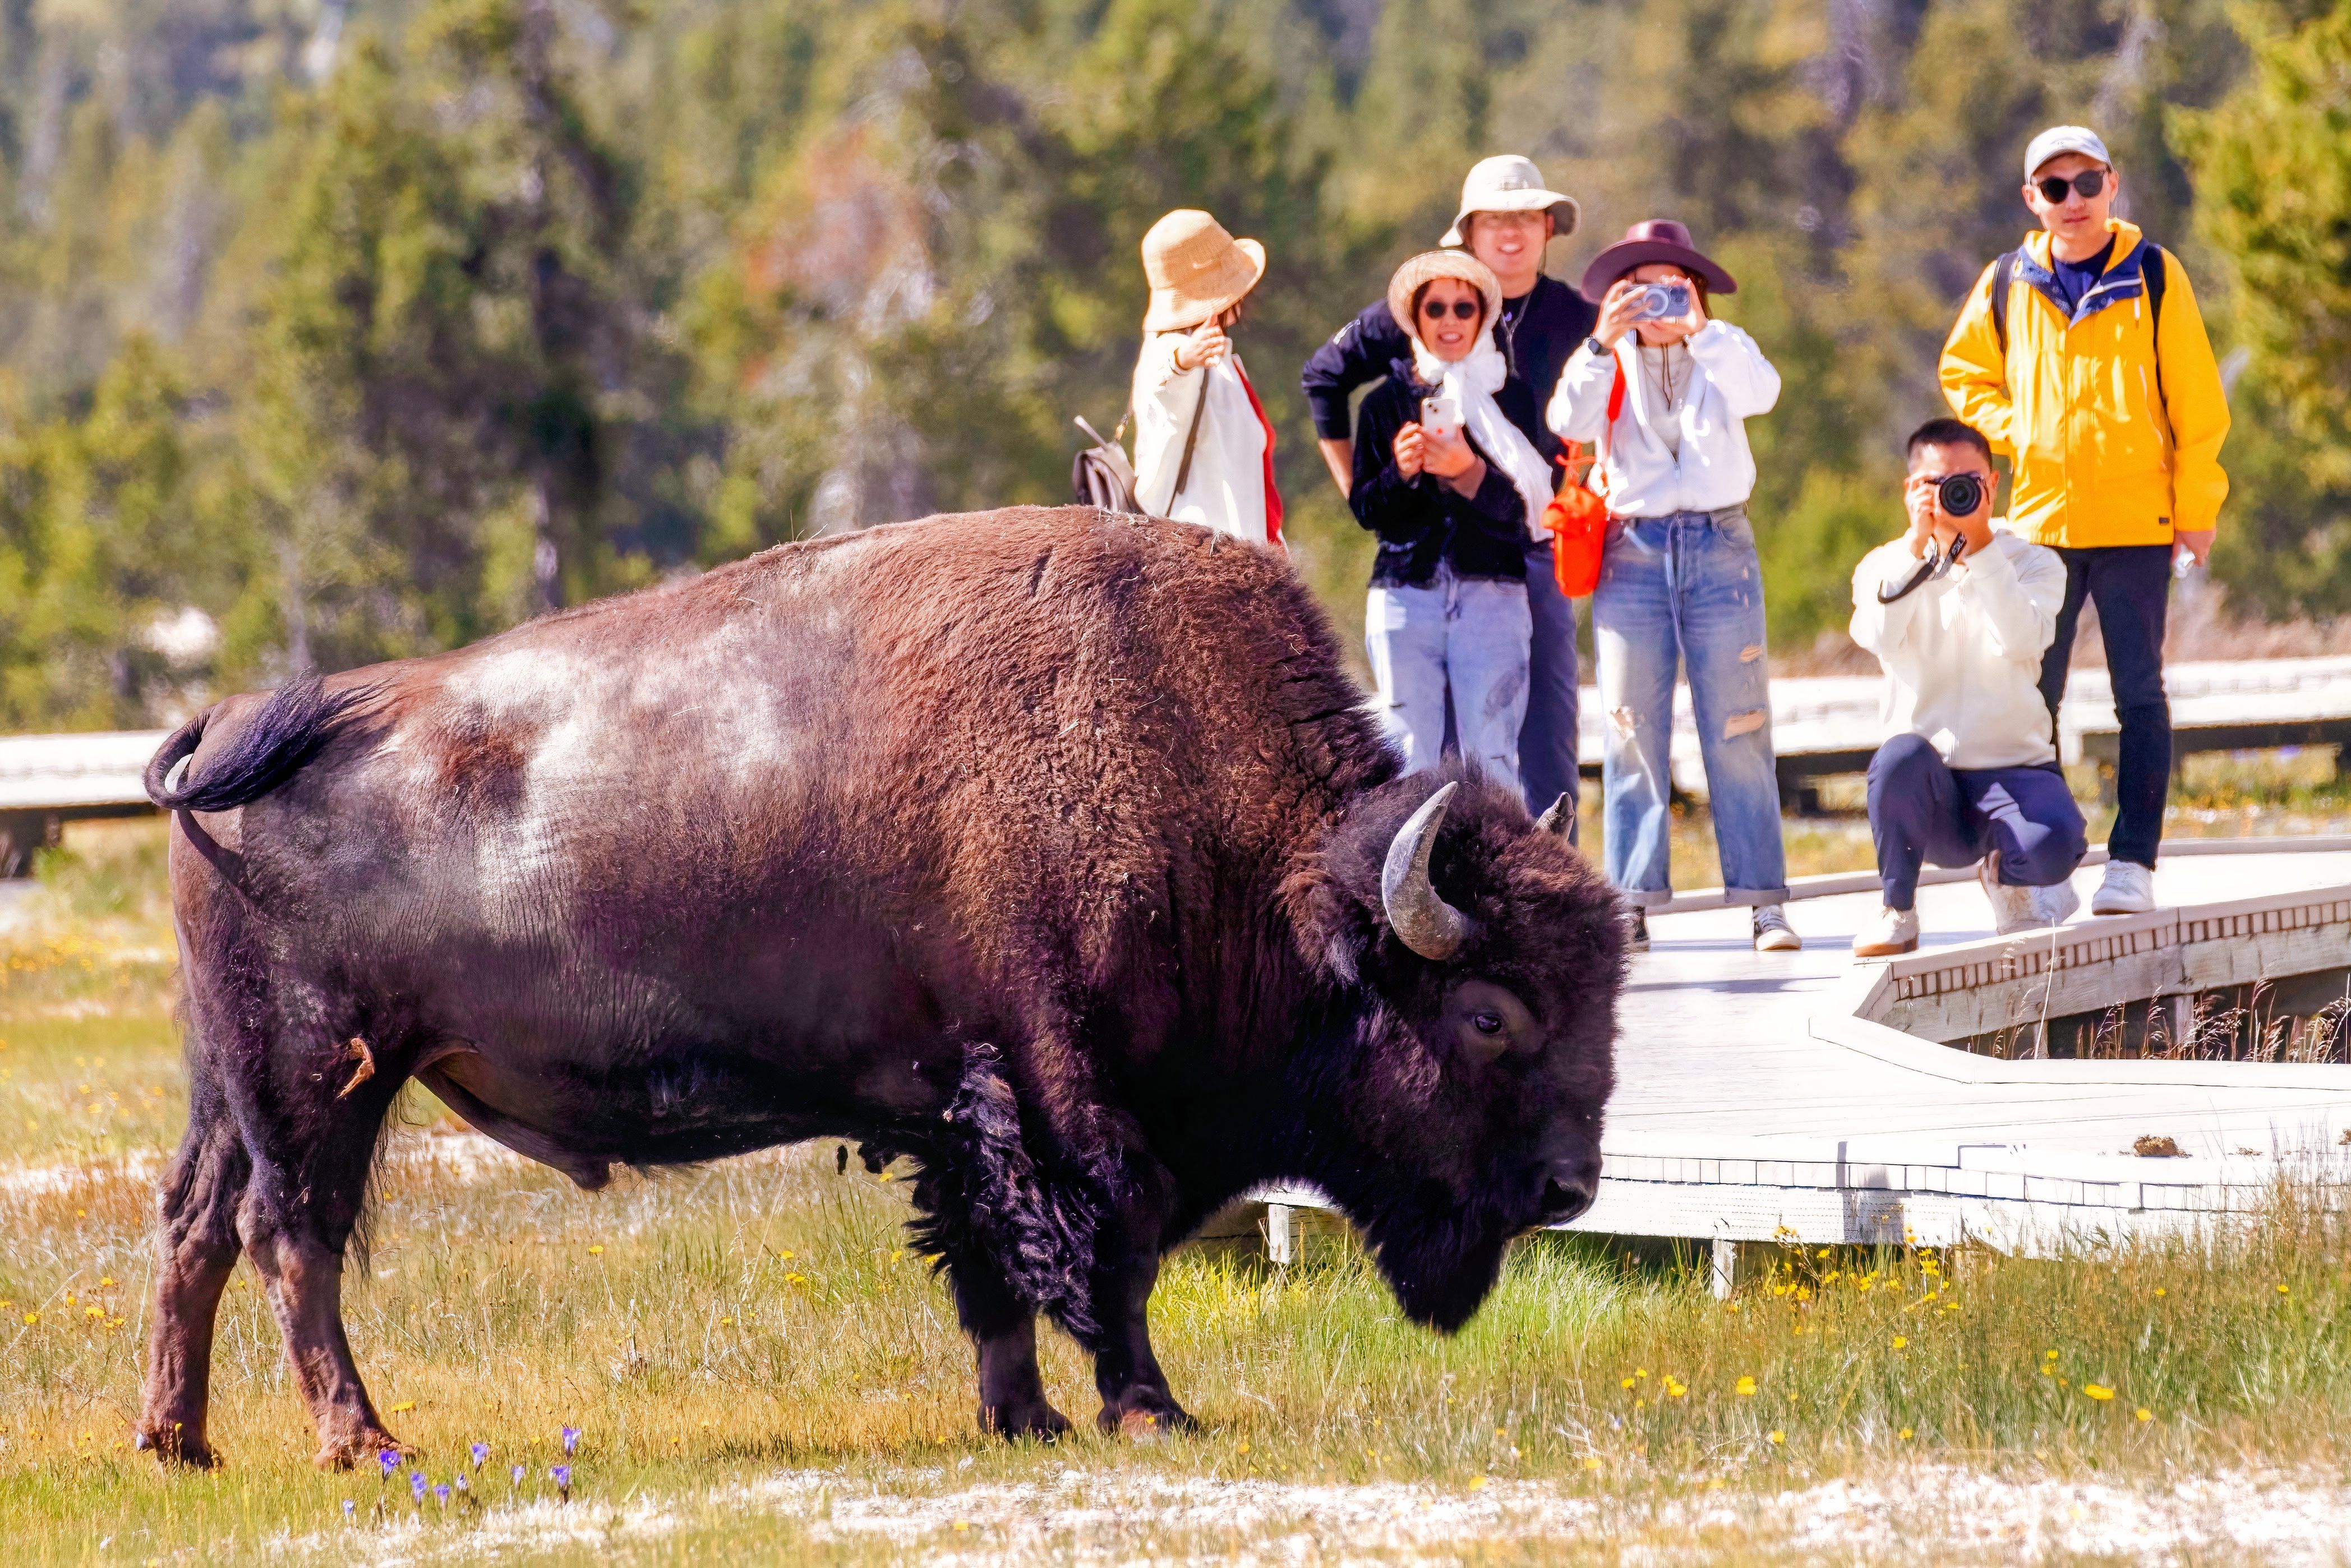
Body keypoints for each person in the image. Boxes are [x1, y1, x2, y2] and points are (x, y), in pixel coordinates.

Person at [1939, 124, 2230, 916]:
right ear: (2032, 199)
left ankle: (2133, 862)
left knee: (2139, 693)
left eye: (2087, 183)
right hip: (2041, 524)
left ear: (2112, 184)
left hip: (2139, 522)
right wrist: (2016, 429)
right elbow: (1963, 372)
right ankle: (2047, 856)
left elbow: (2198, 407)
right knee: (2035, 699)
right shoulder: (2007, 279)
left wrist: (2196, 511)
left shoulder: (2155, 274)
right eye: (2055, 188)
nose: (2074, 200)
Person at [1301, 156, 1594, 825]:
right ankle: (1434, 895)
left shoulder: (1573, 317)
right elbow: (1323, 378)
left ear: (1548, 226)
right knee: (1424, 740)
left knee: (1540, 717)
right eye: (1494, 220)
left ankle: (1544, 885)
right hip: (1420, 565)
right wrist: (1369, 487)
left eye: (1524, 217)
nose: (1511, 234)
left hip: (1538, 539)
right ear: (1468, 231)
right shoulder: (1416, 308)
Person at [1548, 219, 1796, 953]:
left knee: (1742, 728)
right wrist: (1600, 339)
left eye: (1671, 286)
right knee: (1629, 731)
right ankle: (1630, 902)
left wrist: (1700, 330)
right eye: (1641, 288)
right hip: (1634, 548)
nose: (1655, 302)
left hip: (1720, 542)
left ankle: (1764, 903)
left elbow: (1764, 395)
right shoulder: (1607, 358)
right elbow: (1567, 418)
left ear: (1694, 289)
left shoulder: (1724, 350)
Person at [1848, 419, 2088, 958]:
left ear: (1994, 485)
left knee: (2055, 845)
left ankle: (2010, 879)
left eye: (1968, 481)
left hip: (2010, 771)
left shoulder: (2033, 562)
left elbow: (2023, 640)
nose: (1955, 493)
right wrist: (1916, 549)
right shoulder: (1883, 565)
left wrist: (1980, 550)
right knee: (1898, 755)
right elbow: (1878, 637)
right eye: (1936, 483)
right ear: (1911, 489)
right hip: (1928, 789)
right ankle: (1897, 911)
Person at [1351, 251, 1555, 794]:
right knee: (1407, 757)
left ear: (1482, 316)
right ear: (1414, 319)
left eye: (1462, 308)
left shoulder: (1510, 397)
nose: (1448, 320)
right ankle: (1404, 880)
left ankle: (1499, 880)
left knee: (1492, 756)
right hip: (1403, 595)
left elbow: (1525, 515)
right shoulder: (1382, 405)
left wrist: (1468, 473)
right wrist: (1401, 472)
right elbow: (1367, 511)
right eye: (1434, 307)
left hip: (1493, 596)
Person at [1132, 209, 1284, 548]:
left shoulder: (1218, 357)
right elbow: (1165, 389)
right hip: (1205, 558)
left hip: (1232, 552)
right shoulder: (1170, 349)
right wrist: (1182, 361)